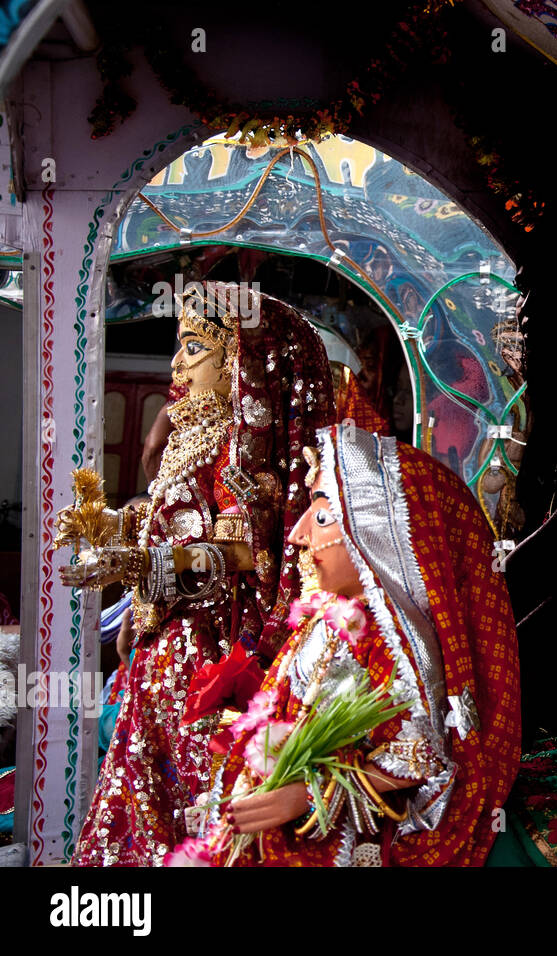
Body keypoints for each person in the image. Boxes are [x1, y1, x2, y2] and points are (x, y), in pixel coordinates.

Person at [58, 284, 335, 864]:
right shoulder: (191, 437)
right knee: (138, 805)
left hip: (200, 660)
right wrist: (113, 532)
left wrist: (141, 565)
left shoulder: (242, 452)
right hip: (159, 653)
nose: (178, 363)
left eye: (193, 348)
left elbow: (240, 561)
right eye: (179, 347)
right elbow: (176, 528)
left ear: (237, 356)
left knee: (188, 813)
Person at [188, 424, 520, 866]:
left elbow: (420, 754)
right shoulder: (329, 617)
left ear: (376, 533)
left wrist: (305, 795)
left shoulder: (389, 641)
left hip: (339, 829)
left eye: (323, 517)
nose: (299, 535)